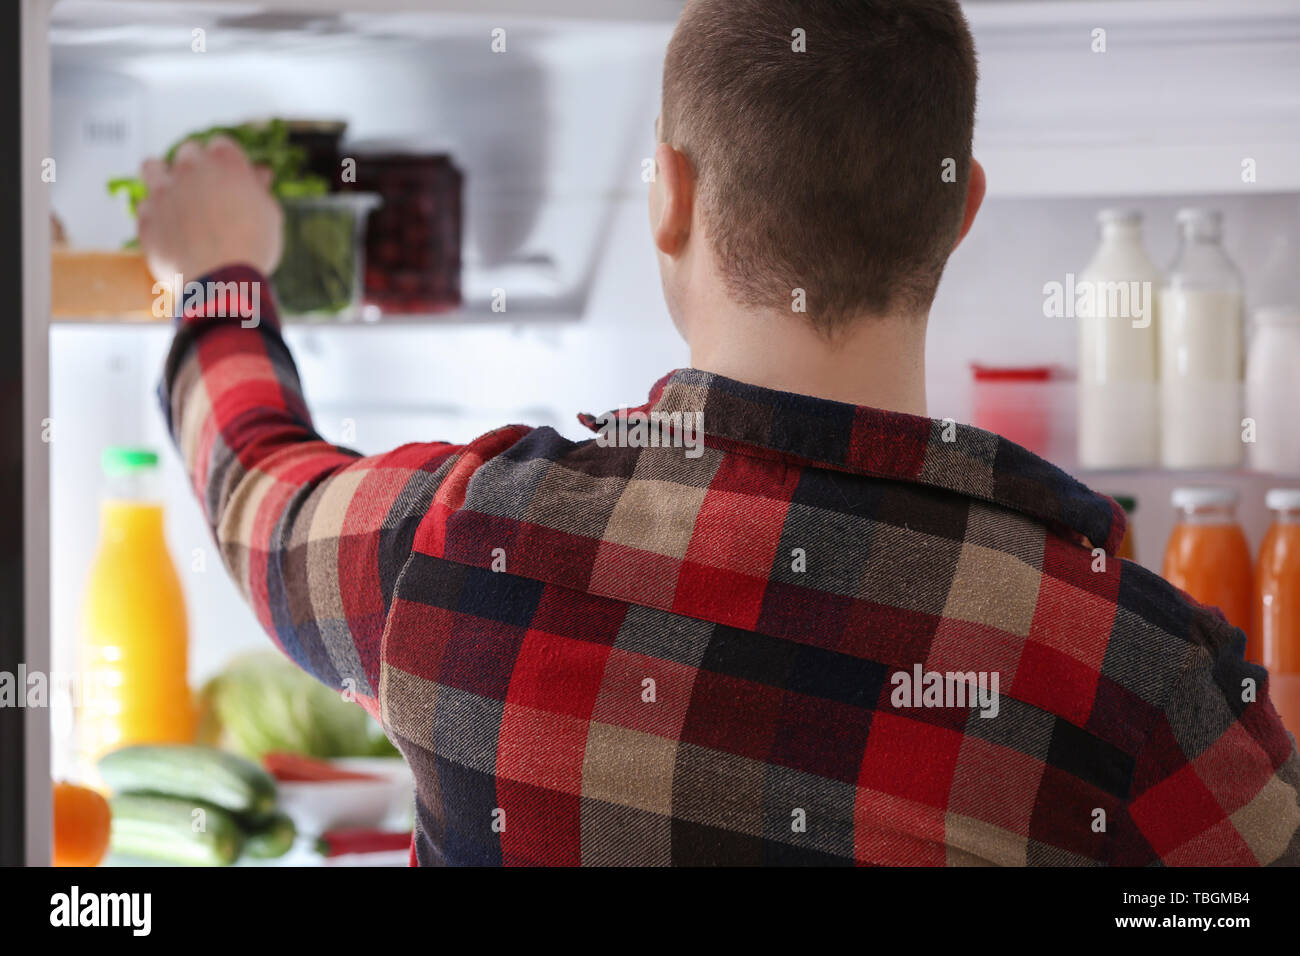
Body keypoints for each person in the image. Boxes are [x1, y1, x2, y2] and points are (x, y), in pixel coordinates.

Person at [138, 0, 1300, 866]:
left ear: (669, 195)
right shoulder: (1137, 675)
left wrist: (222, 275)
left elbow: (253, 481)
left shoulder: (454, 544)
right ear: (959, 211)